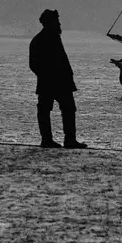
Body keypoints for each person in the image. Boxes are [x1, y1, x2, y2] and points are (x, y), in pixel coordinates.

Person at [29, 8, 87, 149]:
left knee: (63, 110)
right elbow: (34, 64)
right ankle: (55, 140)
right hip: (54, 82)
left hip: (57, 81)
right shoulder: (43, 39)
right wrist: (47, 75)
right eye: (57, 21)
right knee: (52, 110)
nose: (59, 24)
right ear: (50, 22)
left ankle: (58, 139)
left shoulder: (45, 38)